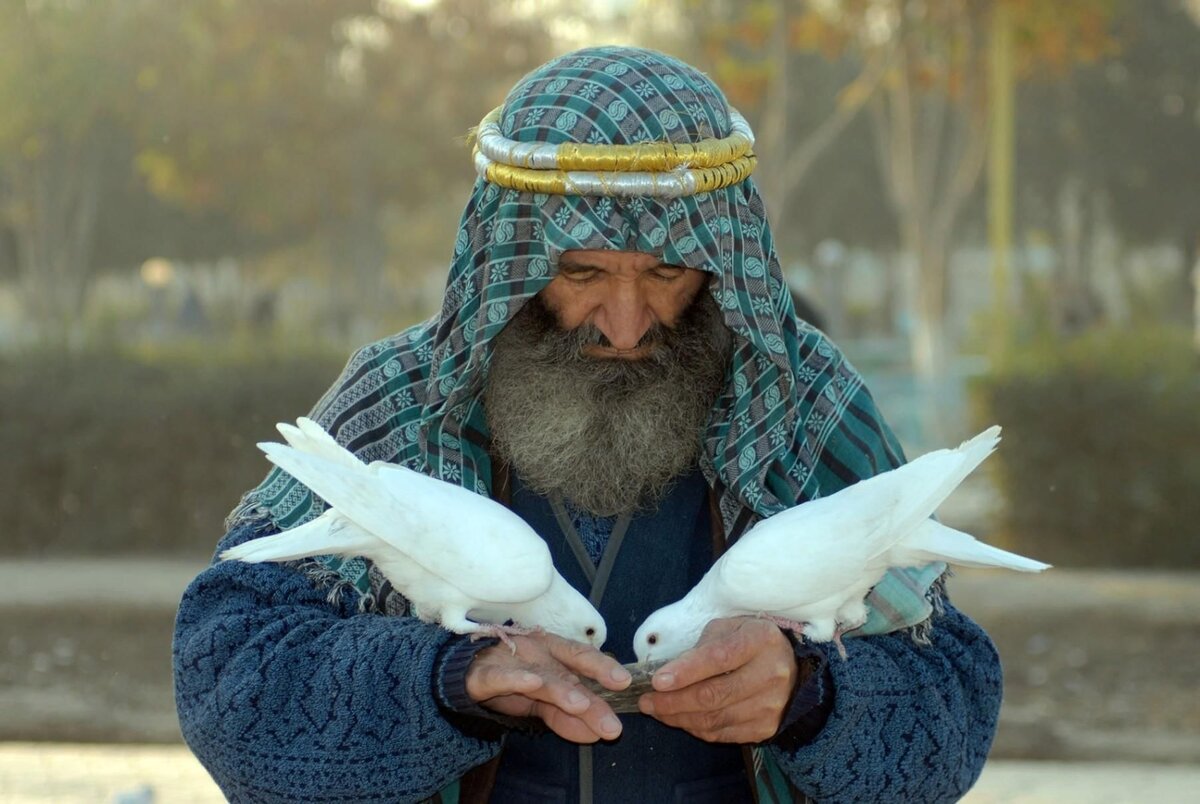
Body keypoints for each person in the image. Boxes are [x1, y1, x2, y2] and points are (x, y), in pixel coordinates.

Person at [174, 46, 1002, 803]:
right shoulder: (400, 401)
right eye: (583, 274)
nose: (627, 324)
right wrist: (451, 681)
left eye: (667, 273)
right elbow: (228, 669)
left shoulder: (803, 404)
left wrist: (812, 693)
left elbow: (952, 695)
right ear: (515, 262)